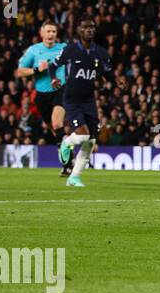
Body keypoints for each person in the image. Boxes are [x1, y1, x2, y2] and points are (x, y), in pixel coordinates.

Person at [49, 16, 111, 188]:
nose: (89, 30)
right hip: (72, 99)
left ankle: (74, 177)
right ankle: (66, 143)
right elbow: (52, 66)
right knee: (82, 135)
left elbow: (107, 73)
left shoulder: (100, 52)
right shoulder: (70, 50)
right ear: (79, 31)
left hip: (89, 100)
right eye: (85, 27)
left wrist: (118, 81)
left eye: (92, 27)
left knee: (90, 141)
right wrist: (53, 78)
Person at [15, 21, 72, 176]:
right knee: (56, 130)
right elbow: (19, 72)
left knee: (57, 121)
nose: (51, 34)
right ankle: (68, 158)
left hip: (61, 89)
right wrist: (36, 69)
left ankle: (67, 164)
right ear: (42, 34)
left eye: (53, 31)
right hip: (42, 95)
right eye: (48, 31)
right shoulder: (33, 51)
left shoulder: (64, 48)